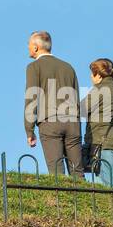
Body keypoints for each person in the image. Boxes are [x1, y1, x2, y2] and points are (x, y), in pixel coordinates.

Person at [24, 31, 85, 179]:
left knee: (57, 172)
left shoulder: (34, 67)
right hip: (72, 122)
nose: (28, 48)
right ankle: (86, 200)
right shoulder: (68, 67)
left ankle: (62, 201)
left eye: (29, 45)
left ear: (36, 47)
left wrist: (29, 130)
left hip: (50, 121)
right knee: (77, 172)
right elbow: (76, 98)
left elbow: (32, 98)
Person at [82, 58, 113, 188]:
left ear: (98, 74)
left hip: (105, 144)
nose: (90, 76)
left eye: (92, 73)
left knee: (108, 186)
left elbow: (80, 109)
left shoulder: (101, 89)